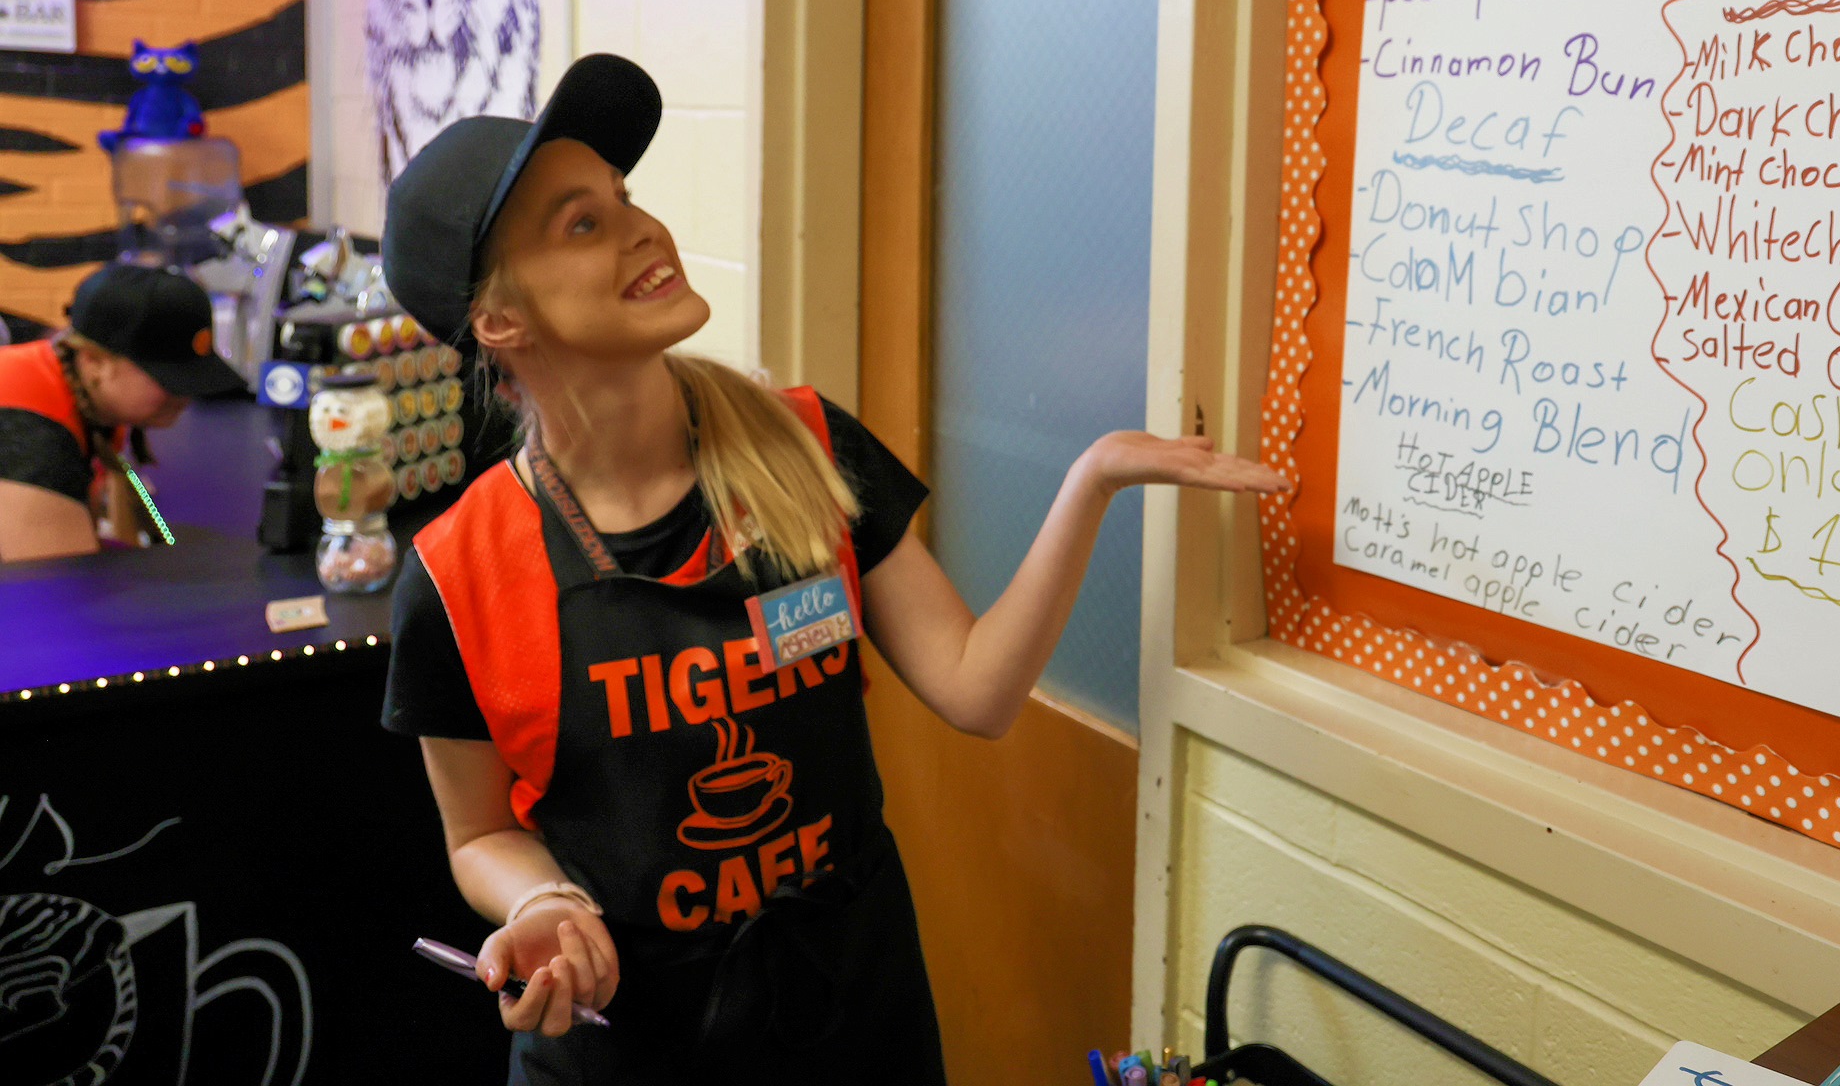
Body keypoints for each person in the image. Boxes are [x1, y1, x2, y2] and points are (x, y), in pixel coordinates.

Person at [377, 55, 1285, 1084]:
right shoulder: (458, 574)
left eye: (625, 198)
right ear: (500, 321)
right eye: (583, 223)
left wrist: (1092, 480)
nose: (643, 229)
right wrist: (544, 901)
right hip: (631, 1041)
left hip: (853, 1010)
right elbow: (478, 832)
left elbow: (978, 690)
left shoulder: (804, 446)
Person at [0, 262, 245, 562]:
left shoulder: (80, 391)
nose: (185, 395)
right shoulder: (32, 437)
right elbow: (56, 583)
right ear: (94, 361)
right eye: (167, 378)